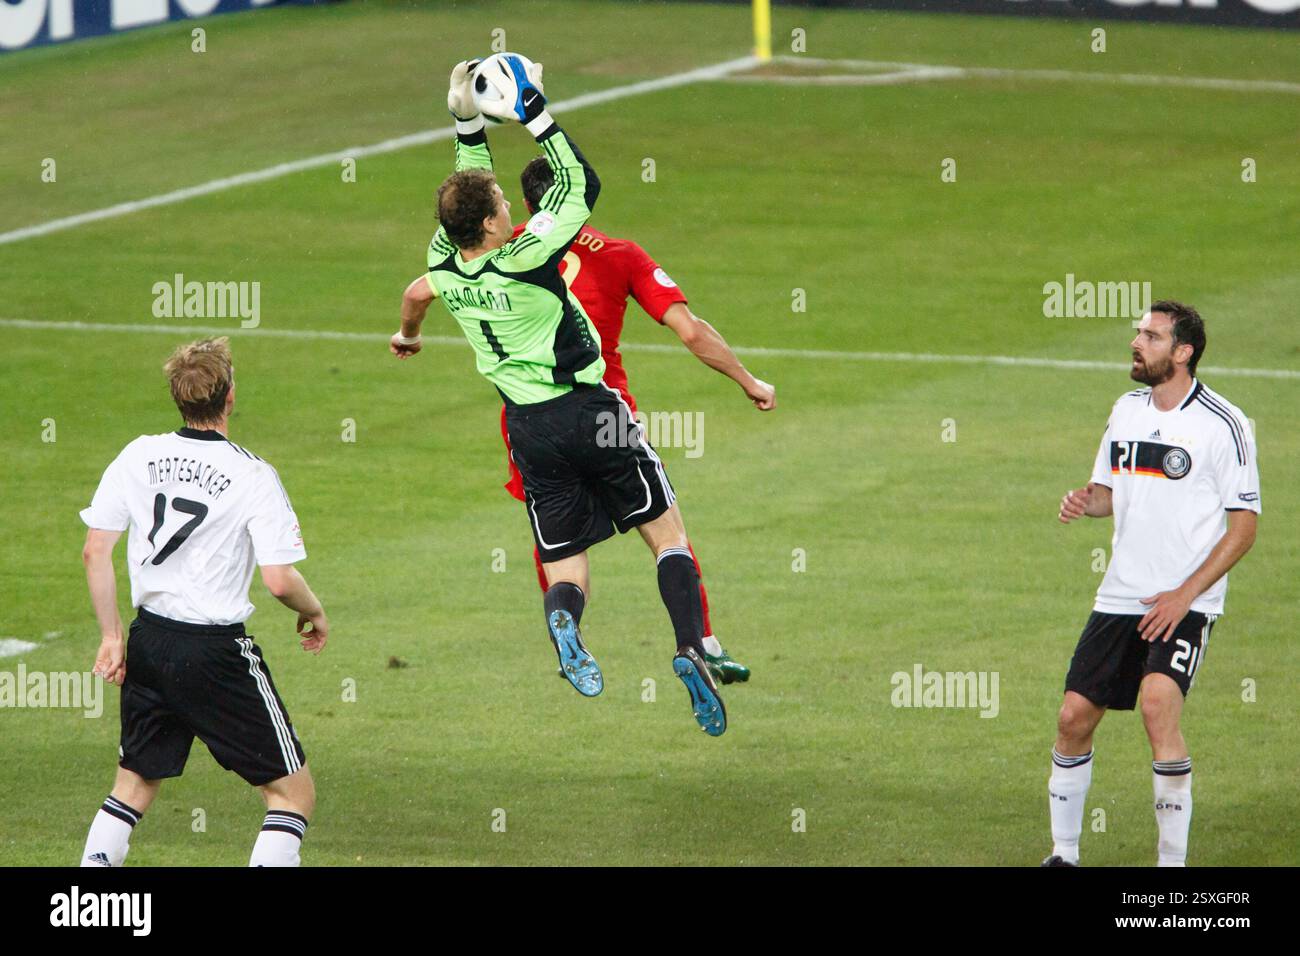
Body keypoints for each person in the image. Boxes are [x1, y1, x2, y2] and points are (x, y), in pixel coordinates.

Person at [390, 58, 727, 735]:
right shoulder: (525, 255)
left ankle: (568, 628)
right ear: (490, 225)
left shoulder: (441, 263)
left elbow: (468, 187)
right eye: (504, 208)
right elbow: (580, 182)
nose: (513, 208)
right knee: (667, 536)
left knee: (565, 560)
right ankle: (692, 647)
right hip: (591, 411)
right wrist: (532, 107)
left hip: (529, 431)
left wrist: (466, 119)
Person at [498, 155, 776, 685]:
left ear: (528, 201)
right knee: (664, 525)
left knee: (554, 535)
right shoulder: (621, 256)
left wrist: (408, 332)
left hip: (528, 421)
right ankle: (700, 642)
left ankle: (568, 640)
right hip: (604, 415)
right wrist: (749, 382)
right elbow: (691, 331)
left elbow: (430, 284)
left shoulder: (501, 252)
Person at [78, 337, 328, 866]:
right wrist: (314, 611)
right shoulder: (253, 474)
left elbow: (94, 550)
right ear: (230, 397)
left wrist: (111, 635)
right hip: (214, 652)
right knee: (291, 794)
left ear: (179, 398)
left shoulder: (138, 453)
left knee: (133, 786)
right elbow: (280, 581)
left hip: (149, 641)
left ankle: (85, 910)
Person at [1044, 302, 1260, 867]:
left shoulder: (1224, 423)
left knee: (1157, 706)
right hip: (1120, 592)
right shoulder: (1126, 410)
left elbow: (1244, 527)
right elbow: (1110, 492)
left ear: (1183, 351)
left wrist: (1185, 595)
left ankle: (1170, 869)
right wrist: (1085, 501)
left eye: (1151, 336)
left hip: (1186, 598)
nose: (1136, 343)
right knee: (1072, 718)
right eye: (1138, 332)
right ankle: (1064, 855)